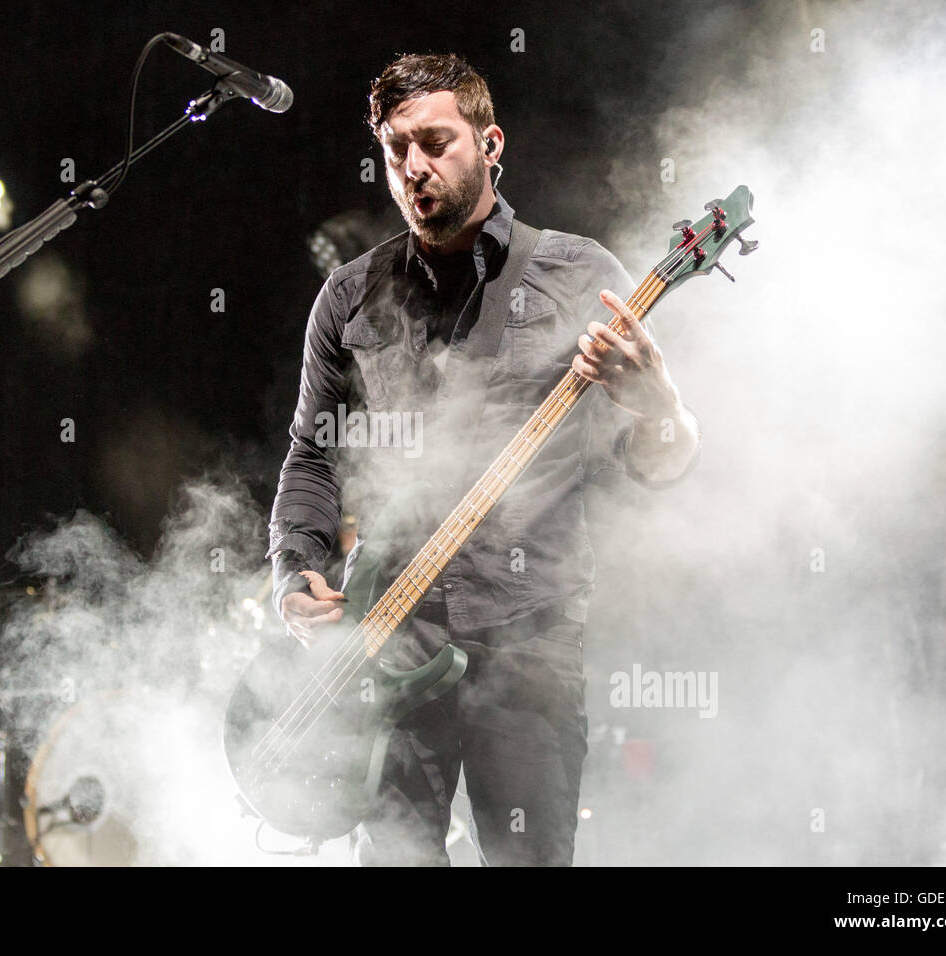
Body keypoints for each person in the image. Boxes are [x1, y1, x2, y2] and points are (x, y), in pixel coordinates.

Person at [265, 53, 700, 865]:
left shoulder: (579, 275)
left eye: (435, 143)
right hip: (387, 646)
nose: (413, 168)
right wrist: (295, 570)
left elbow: (661, 469)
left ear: (490, 141)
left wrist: (660, 407)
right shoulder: (350, 296)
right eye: (396, 151)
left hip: (528, 653)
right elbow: (310, 458)